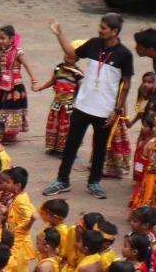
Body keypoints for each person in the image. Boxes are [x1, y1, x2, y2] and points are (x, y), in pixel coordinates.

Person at [42, 15, 133, 201]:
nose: (100, 30)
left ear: (114, 32)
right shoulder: (93, 44)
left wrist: (117, 110)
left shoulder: (124, 54)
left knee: (100, 147)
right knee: (71, 144)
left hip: (105, 109)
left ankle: (94, 182)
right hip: (83, 105)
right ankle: (62, 179)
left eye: (104, 28)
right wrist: (60, 34)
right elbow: (73, 54)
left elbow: (126, 84)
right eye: (100, 27)